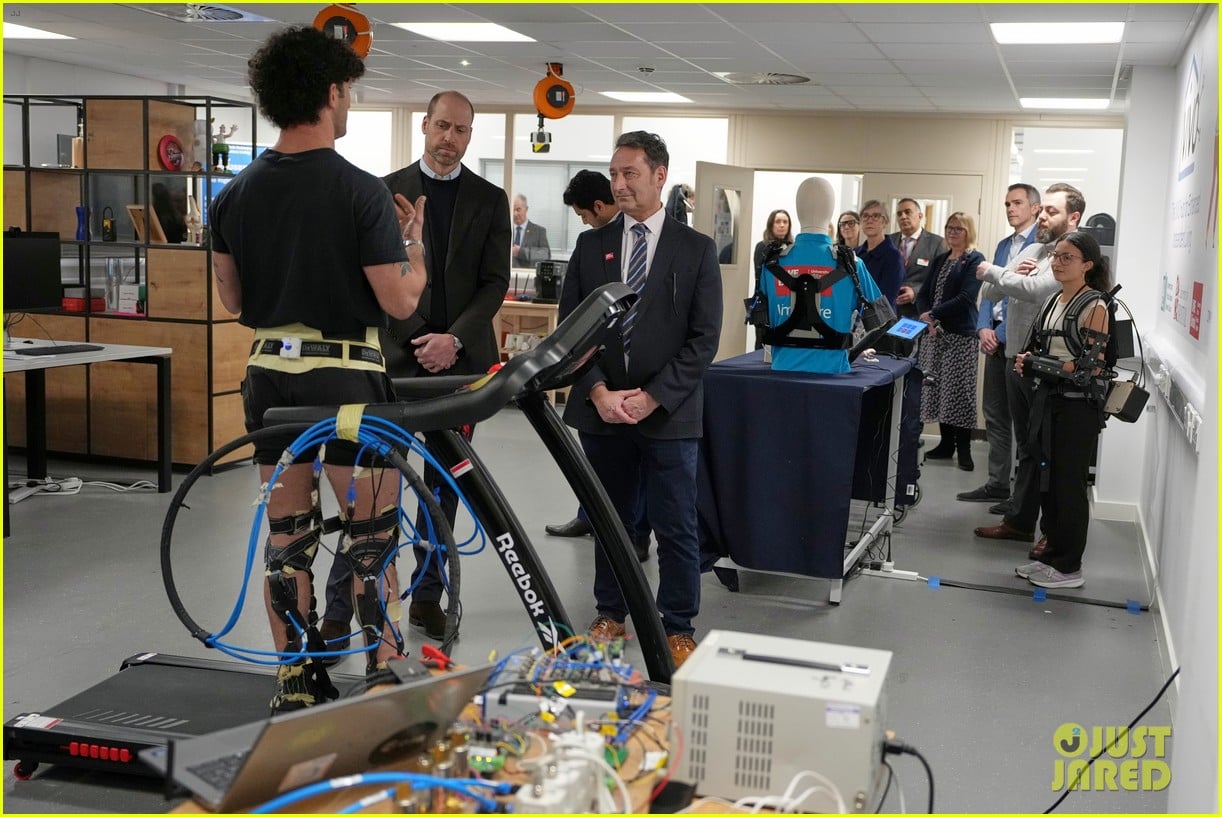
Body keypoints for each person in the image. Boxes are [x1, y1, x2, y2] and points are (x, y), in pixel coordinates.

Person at [208, 25, 426, 710]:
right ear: (332, 93)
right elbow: (399, 300)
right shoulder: (361, 192)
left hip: (270, 383)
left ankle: (295, 680)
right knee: (371, 537)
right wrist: (412, 246)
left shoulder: (233, 195)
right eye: (350, 91)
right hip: (347, 382)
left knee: (289, 539)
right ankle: (384, 673)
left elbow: (234, 299)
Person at [321, 91, 510, 644]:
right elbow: (369, 279)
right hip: (392, 365)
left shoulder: (490, 200)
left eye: (461, 131)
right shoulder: (381, 191)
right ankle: (342, 605)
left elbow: (495, 282)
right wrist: (419, 339)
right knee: (372, 486)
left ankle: (428, 594)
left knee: (442, 489)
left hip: (460, 369)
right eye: (442, 126)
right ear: (424, 125)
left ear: (470, 137)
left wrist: (452, 339)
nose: (449, 138)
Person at [560, 130, 721, 669]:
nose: (619, 183)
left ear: (659, 176)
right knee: (612, 521)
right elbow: (571, 333)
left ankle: (677, 625)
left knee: (676, 524)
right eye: (614, 173)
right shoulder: (590, 246)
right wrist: (599, 391)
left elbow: (703, 339)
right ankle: (611, 612)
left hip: (668, 413)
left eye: (630, 173)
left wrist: (652, 398)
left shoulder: (695, 249)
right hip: (604, 411)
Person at [973, 184, 1084, 556]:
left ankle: (1042, 529)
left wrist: (997, 272)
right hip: (1013, 358)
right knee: (1026, 446)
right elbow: (991, 295)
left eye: (1051, 211)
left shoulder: (1072, 256)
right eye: (1043, 211)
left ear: (1074, 218)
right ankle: (1019, 522)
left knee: (1040, 449)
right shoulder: (1035, 249)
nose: (1042, 217)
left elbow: (1036, 290)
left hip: (1042, 366)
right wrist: (1007, 275)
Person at [546, 169, 651, 563]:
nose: (585, 221)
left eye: (585, 214)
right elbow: (570, 315)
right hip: (595, 377)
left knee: (639, 470)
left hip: (643, 384)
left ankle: (637, 535)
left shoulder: (659, 245)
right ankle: (589, 516)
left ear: (600, 206)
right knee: (594, 461)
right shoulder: (589, 246)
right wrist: (593, 382)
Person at [1012, 231, 1111, 588]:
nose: (1057, 262)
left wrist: (1038, 364)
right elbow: (1041, 349)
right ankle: (1052, 553)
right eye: (1055, 255)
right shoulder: (1053, 300)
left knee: (1068, 486)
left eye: (1067, 257)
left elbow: (1089, 369)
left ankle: (1069, 567)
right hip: (1047, 401)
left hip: (1076, 409)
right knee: (1047, 482)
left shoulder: (1096, 306)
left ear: (1087, 265)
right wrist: (1029, 361)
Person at [958, 183, 1041, 505]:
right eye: (1007, 203)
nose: (1010, 208)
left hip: (1017, 342)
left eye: (1017, 203)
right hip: (992, 337)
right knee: (994, 414)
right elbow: (989, 291)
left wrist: (1000, 334)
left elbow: (1028, 297)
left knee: (1022, 421)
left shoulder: (1041, 246)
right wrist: (982, 328)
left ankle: (1020, 493)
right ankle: (996, 483)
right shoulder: (1005, 244)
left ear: (1035, 207)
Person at [915, 212, 985, 471]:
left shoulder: (974, 259)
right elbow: (923, 294)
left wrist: (934, 314)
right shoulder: (941, 259)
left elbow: (967, 297)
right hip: (934, 335)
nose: (953, 232)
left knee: (959, 393)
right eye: (949, 227)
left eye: (959, 228)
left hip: (960, 337)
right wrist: (927, 317)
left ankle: (964, 450)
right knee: (939, 391)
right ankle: (946, 445)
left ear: (969, 232)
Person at [888, 197, 946, 320]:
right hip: (889, 312)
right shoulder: (887, 241)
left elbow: (940, 279)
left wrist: (915, 292)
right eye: (899, 214)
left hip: (919, 312)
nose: (903, 217)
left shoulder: (937, 243)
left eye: (908, 212)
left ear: (920, 216)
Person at [751, 209, 793, 350]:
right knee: (762, 345)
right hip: (766, 301)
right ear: (771, 225)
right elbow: (760, 275)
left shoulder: (793, 248)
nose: (782, 225)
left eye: (785, 222)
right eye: (778, 221)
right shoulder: (762, 247)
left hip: (786, 302)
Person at [854, 200, 903, 309]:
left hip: (880, 320)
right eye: (865, 216)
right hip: (853, 317)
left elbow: (886, 299)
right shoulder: (855, 253)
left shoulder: (893, 257)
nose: (869, 220)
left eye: (875, 216)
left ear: (885, 222)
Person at [511, 193, 550, 267]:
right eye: (512, 210)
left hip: (529, 276)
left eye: (518, 209)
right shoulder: (506, 230)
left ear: (526, 209)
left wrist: (521, 252)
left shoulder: (539, 231)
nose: (515, 214)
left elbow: (546, 254)